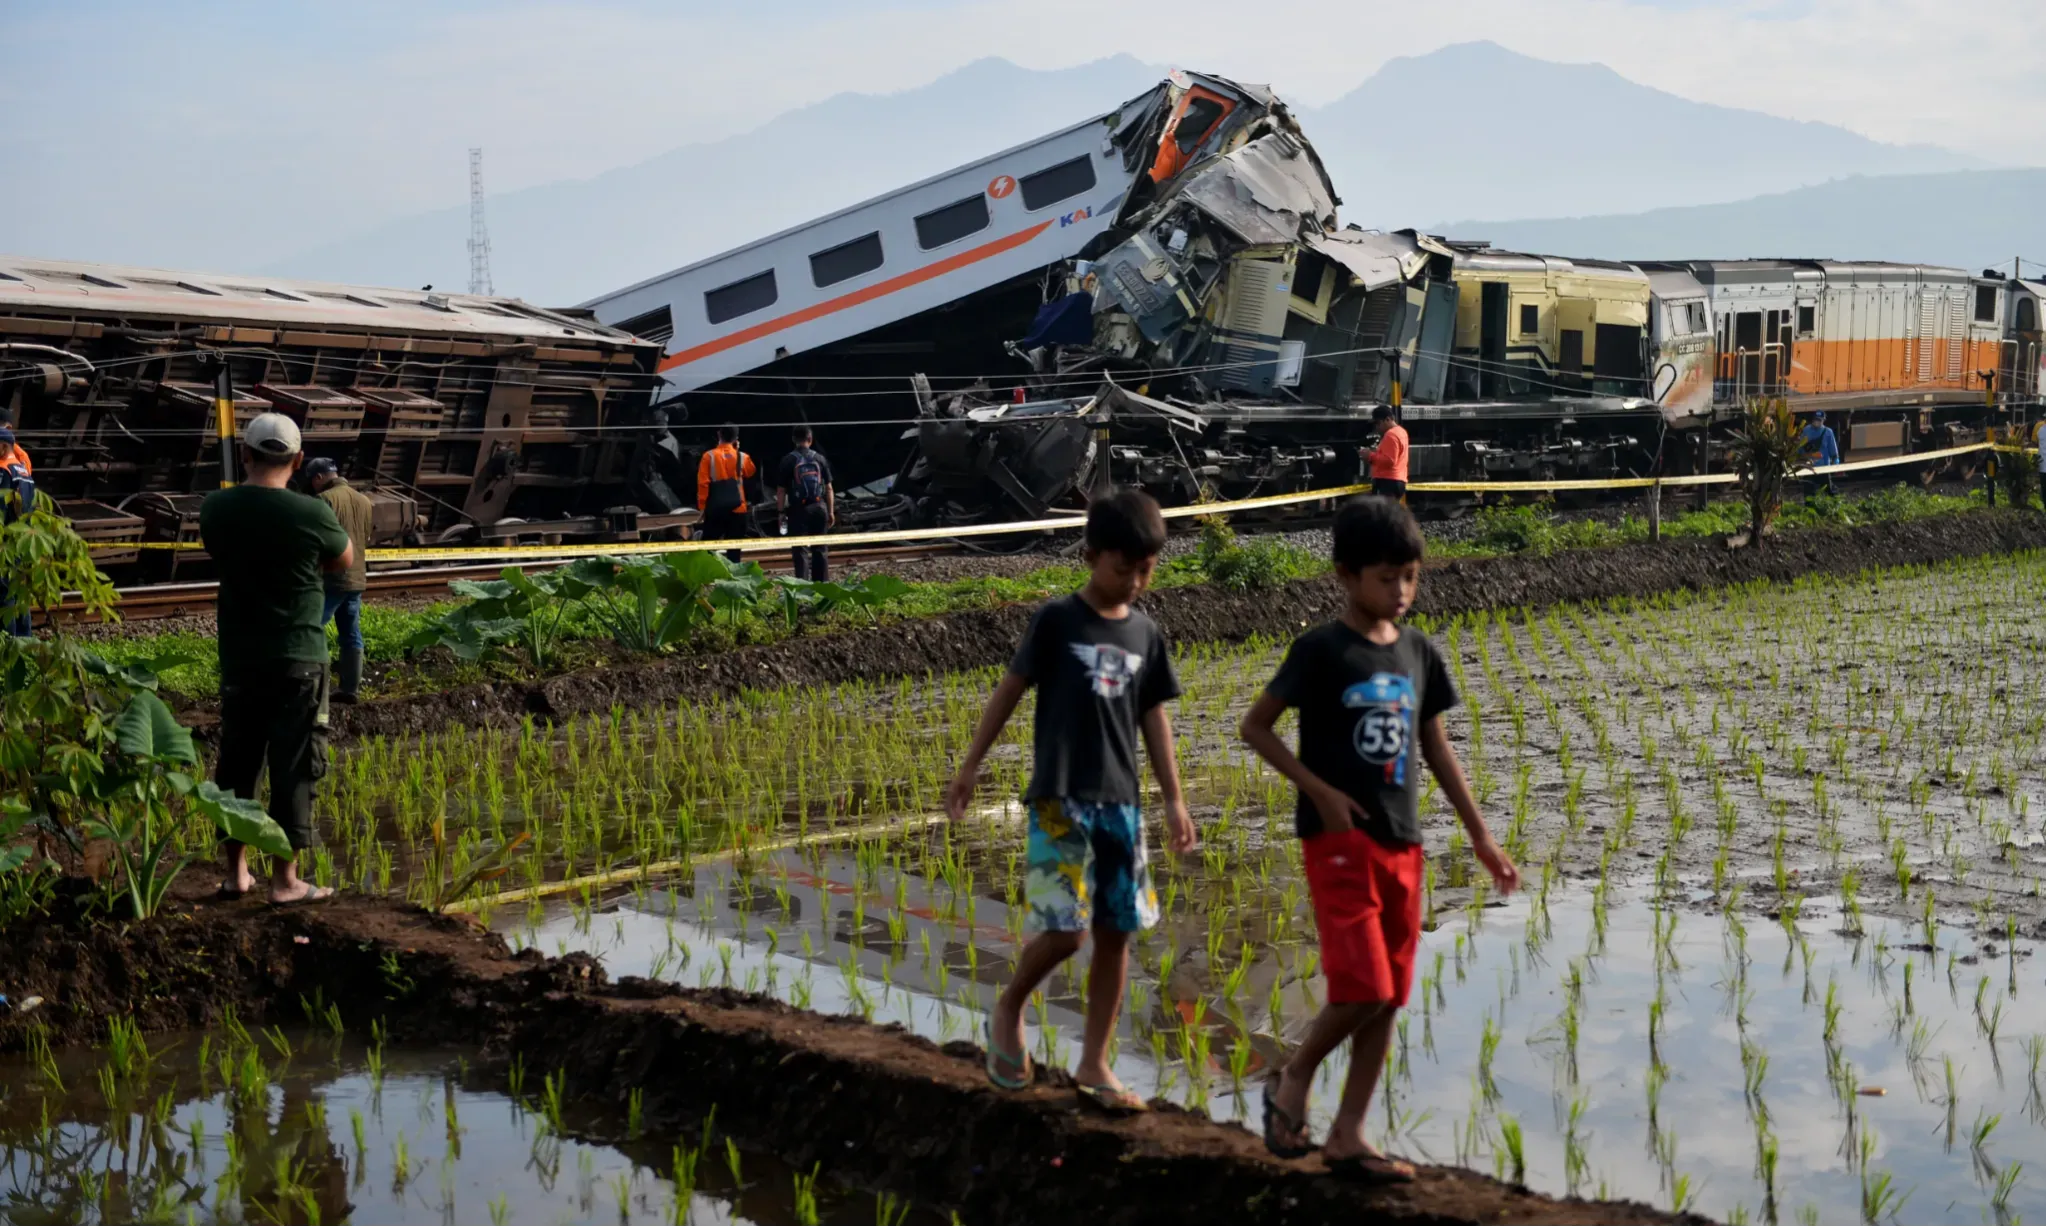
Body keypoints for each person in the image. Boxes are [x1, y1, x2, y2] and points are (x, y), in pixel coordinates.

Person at [1238, 496, 1518, 1180]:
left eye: (1410, 578)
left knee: (1390, 992)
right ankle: (1292, 1077)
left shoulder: (1420, 653)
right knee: (1362, 982)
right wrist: (1320, 789)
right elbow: (1256, 727)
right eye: (1385, 577)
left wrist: (1480, 835)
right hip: (1338, 841)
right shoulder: (1321, 651)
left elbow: (1437, 748)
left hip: (1403, 841)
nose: (1400, 592)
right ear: (1345, 575)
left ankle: (1349, 1132)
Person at [944, 488, 1198, 1113]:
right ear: (1089, 556)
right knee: (1065, 933)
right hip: (1061, 799)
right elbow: (1009, 690)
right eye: (1123, 568)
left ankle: (1094, 1061)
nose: (1136, 582)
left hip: (1122, 804)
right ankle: (1009, 1008)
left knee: (1116, 934)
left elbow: (1153, 718)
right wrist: (971, 765)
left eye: (1146, 569)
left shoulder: (1146, 633)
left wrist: (1173, 799)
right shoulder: (1056, 621)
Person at [200, 413, 352, 904]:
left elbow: (219, 553)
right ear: (298, 460)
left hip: (241, 658)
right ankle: (286, 882)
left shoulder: (217, 508)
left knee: (238, 764)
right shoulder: (312, 513)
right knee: (294, 766)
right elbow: (342, 560)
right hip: (299, 657)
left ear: (245, 455)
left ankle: (236, 874)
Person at [303, 457, 375, 704]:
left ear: (319, 478)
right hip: (356, 579)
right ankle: (350, 689)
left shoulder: (324, 500)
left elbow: (316, 540)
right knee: (351, 633)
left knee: (311, 629)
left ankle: (310, 690)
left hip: (332, 579)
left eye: (312, 481)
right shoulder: (364, 500)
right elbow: (366, 536)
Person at [775, 425, 836, 581]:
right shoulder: (820, 459)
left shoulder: (788, 460)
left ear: (793, 440)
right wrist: (830, 511)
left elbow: (781, 491)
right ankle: (822, 586)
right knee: (820, 548)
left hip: (798, 509)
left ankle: (802, 588)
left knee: (800, 549)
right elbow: (829, 488)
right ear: (810, 438)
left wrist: (781, 513)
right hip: (819, 506)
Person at [696, 426, 757, 563]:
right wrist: (737, 450)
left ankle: (707, 578)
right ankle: (733, 578)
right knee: (734, 550)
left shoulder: (709, 456)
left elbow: (703, 484)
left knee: (708, 548)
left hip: (715, 509)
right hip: (738, 508)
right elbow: (751, 472)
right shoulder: (742, 456)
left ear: (719, 434)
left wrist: (702, 507)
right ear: (736, 438)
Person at [0, 428, 37, 636]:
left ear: (4, 446)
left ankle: (8, 643)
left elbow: (0, 510)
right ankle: (25, 640)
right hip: (23, 541)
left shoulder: (3, 471)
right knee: (20, 593)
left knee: (4, 595)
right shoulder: (23, 470)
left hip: (6, 542)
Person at [1363, 404, 1408, 501]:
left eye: (1378, 423)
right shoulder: (1401, 432)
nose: (1377, 427)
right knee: (1390, 512)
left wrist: (1370, 456)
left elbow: (1390, 460)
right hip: (1397, 480)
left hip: (1388, 482)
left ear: (1388, 419)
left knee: (1383, 513)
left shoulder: (1390, 434)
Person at [1801, 410, 1840, 496]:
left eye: (1819, 420)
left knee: (1828, 490)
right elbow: (1800, 447)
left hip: (1824, 467)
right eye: (1816, 420)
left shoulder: (1828, 432)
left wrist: (1835, 460)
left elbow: (1832, 449)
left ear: (1823, 420)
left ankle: (1831, 505)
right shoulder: (1806, 430)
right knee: (1809, 492)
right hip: (1809, 467)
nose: (1817, 422)